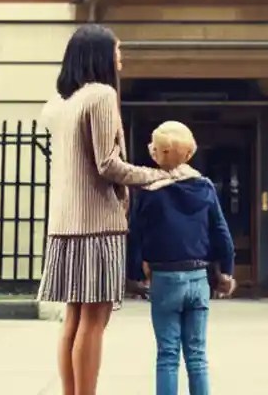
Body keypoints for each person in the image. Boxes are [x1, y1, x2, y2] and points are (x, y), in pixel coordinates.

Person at [37, 24, 179, 395]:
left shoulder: (65, 102)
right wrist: (156, 175)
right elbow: (108, 164)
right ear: (99, 56)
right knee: (95, 320)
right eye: (117, 51)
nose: (121, 59)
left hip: (65, 226)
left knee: (74, 316)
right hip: (97, 226)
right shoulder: (100, 95)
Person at [127, 121, 236, 395]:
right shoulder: (205, 187)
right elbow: (221, 232)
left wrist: (135, 276)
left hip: (164, 279)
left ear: (158, 154)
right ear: (189, 154)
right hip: (198, 277)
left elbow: (136, 235)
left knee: (167, 355)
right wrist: (226, 272)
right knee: (197, 356)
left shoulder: (148, 191)